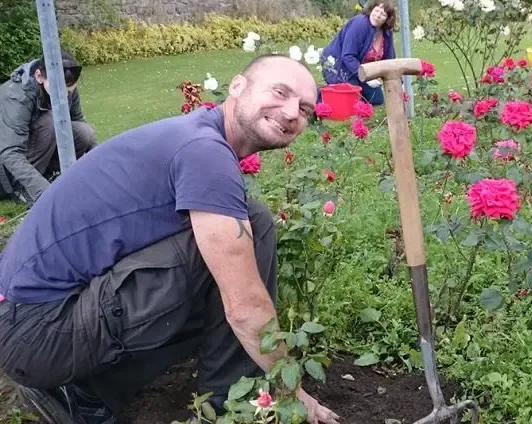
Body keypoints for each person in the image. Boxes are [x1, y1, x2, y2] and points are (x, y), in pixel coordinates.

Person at [0, 54, 340, 424]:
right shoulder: (205, 152)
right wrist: (291, 391)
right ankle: (223, 409)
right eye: (280, 92)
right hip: (38, 331)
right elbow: (244, 306)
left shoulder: (195, 134)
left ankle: (87, 392)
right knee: (248, 239)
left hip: (31, 323)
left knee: (239, 237)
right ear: (238, 86)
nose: (291, 113)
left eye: (305, 109)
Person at [0, 50, 97, 206]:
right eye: (58, 90)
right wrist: (44, 192)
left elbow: (79, 124)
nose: (64, 95)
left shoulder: (66, 85)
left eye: (68, 90)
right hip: (6, 173)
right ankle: (24, 189)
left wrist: (101, 163)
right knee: (51, 121)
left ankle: (53, 176)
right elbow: (10, 153)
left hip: (35, 151)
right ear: (39, 76)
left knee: (84, 131)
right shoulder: (17, 97)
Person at [321, 0, 396, 106]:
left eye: (383, 14)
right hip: (340, 66)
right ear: (371, 10)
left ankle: (358, 91)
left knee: (377, 99)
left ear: (388, 19)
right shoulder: (359, 24)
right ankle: (324, 95)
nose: (378, 15)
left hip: (362, 70)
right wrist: (366, 76)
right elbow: (348, 56)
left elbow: (390, 59)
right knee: (352, 101)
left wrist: (397, 81)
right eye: (376, 10)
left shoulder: (387, 32)